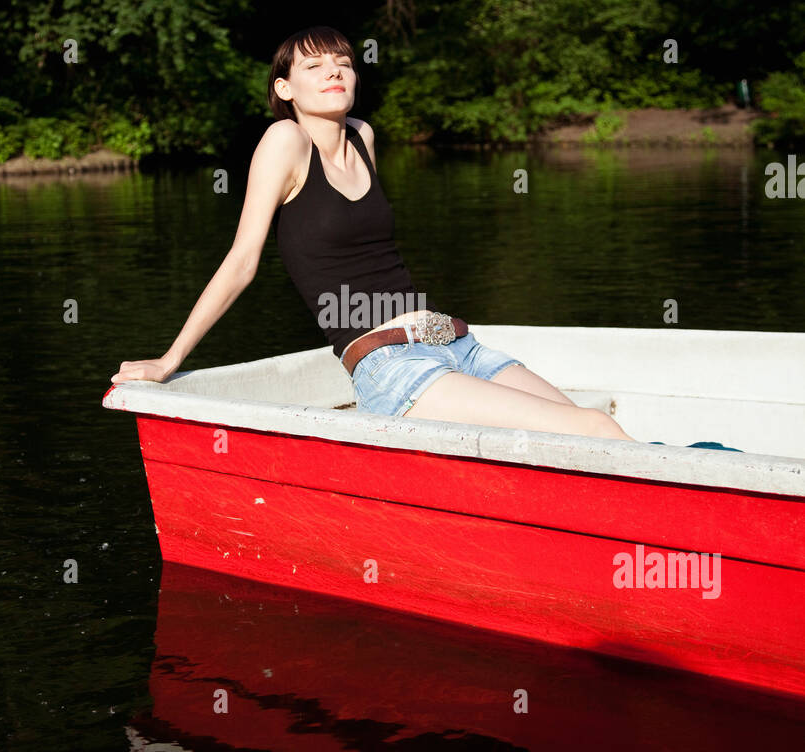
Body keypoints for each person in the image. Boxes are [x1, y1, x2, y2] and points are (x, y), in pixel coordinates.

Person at [112, 25, 634, 441]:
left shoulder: (363, 136)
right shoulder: (284, 140)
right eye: (313, 66)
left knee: (595, 430)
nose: (333, 72)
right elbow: (243, 259)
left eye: (343, 63)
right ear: (284, 88)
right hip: (389, 362)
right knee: (591, 429)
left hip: (453, 340)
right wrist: (170, 359)